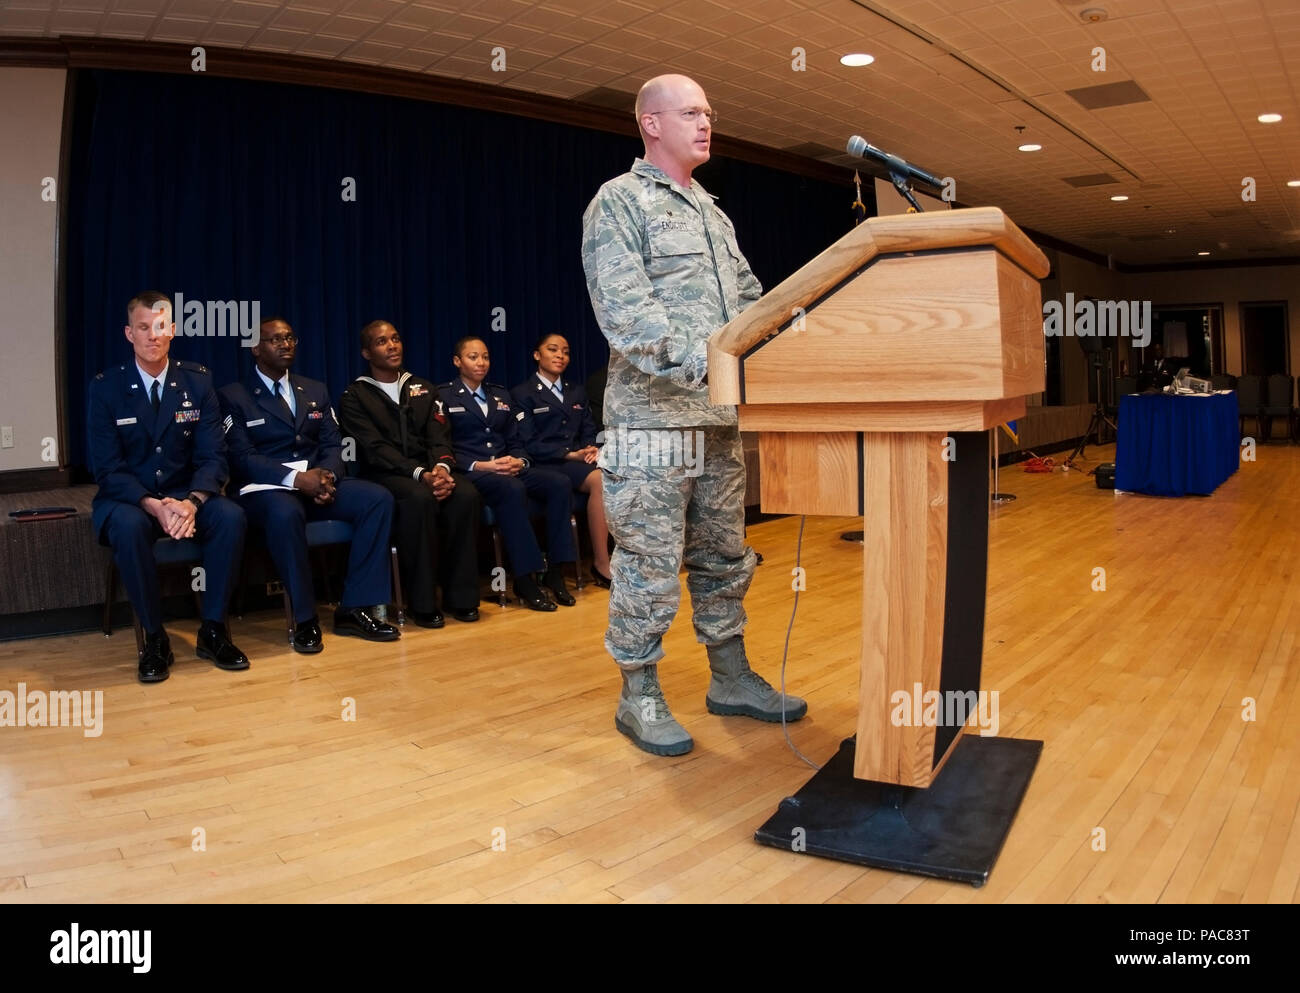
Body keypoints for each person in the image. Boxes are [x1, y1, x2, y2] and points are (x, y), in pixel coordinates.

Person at [581, 73, 807, 756]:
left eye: (709, 111)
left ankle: (730, 675)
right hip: (653, 424)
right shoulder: (617, 204)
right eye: (690, 112)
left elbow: (747, 299)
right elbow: (628, 316)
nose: (706, 123)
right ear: (651, 123)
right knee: (649, 559)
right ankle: (638, 691)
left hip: (717, 421)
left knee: (722, 554)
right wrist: (711, 364)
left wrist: (779, 343)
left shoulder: (713, 213)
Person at [88, 291, 249, 683]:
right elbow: (107, 468)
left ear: (173, 330)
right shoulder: (106, 388)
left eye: (160, 326)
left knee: (229, 516)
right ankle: (155, 639)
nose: (152, 335)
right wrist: (154, 505)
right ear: (129, 334)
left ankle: (212, 630)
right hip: (131, 498)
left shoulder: (197, 381)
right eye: (143, 327)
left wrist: (192, 502)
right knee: (127, 527)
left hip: (186, 492)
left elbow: (213, 456)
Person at [219, 317, 400, 652]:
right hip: (265, 491)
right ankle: (305, 619)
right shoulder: (234, 395)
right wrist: (296, 479)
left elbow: (334, 444)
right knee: (285, 512)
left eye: (290, 338)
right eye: (275, 340)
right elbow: (241, 458)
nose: (285, 344)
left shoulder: (314, 389)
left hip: (316, 483)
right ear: (256, 349)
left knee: (377, 498)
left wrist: (327, 475)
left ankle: (354, 607)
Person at [337, 320, 481, 627]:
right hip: (384, 475)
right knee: (418, 499)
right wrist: (420, 474)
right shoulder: (355, 396)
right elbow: (374, 448)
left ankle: (461, 598)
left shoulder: (424, 388)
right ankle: (422, 602)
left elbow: (439, 435)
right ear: (366, 352)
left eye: (396, 339)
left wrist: (441, 468)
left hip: (429, 471)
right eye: (381, 342)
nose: (392, 346)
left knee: (465, 494)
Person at [436, 336, 576, 611]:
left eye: (485, 357)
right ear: (457, 361)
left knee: (559, 483)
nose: (481, 362)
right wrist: (482, 466)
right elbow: (442, 444)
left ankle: (556, 570)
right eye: (473, 357)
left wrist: (520, 462)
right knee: (511, 490)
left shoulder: (500, 395)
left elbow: (515, 440)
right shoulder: (443, 396)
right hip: (473, 471)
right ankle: (525, 578)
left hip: (505, 467)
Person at [511, 333, 611, 587]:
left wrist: (592, 449)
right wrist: (569, 454)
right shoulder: (523, 393)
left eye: (565, 352)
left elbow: (589, 428)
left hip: (577, 460)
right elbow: (529, 442)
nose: (560, 356)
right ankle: (601, 563)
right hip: (546, 463)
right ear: (537, 355)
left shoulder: (576, 391)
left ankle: (618, 559)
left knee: (613, 473)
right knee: (600, 480)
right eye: (553, 350)